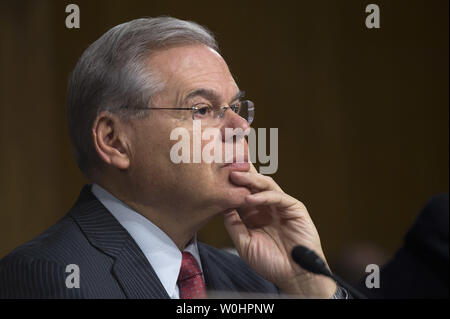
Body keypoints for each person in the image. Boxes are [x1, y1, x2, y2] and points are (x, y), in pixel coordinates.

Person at [0, 17, 344, 299]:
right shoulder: (47, 275)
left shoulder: (251, 279)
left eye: (236, 108)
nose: (240, 127)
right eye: (202, 109)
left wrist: (306, 283)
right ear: (114, 140)